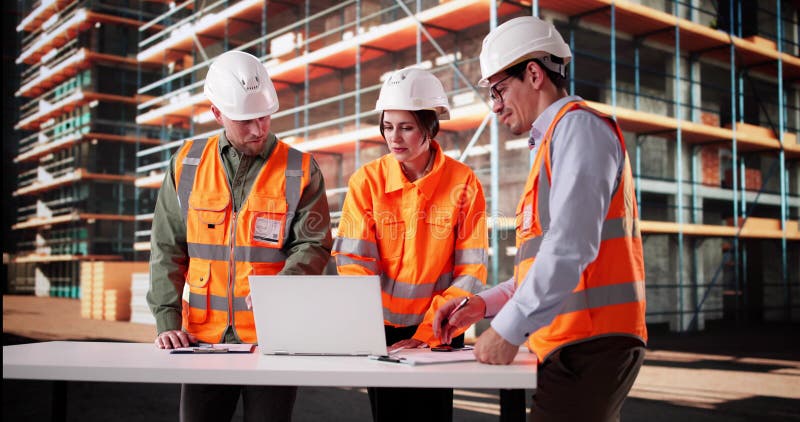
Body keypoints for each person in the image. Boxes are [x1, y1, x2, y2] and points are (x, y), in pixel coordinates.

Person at [434, 16, 647, 422]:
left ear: (533, 74)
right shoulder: (551, 143)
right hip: (576, 342)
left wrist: (509, 329)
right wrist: (481, 305)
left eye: (498, 90)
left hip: (590, 342)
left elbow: (570, 245)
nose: (494, 105)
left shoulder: (578, 129)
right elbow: (538, 266)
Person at [147, 50, 332, 422]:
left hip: (272, 341)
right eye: (246, 120)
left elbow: (313, 245)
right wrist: (168, 321)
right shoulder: (187, 164)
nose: (258, 129)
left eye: (264, 116)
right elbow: (166, 247)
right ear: (217, 113)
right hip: (200, 341)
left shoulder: (300, 168)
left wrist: (276, 297)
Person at [332, 67, 488, 421]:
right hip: (381, 328)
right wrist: (368, 325)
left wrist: (429, 331)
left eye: (406, 127)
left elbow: (471, 269)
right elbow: (354, 260)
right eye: (388, 126)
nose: (394, 137)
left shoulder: (464, 183)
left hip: (440, 325)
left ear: (429, 127)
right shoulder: (366, 182)